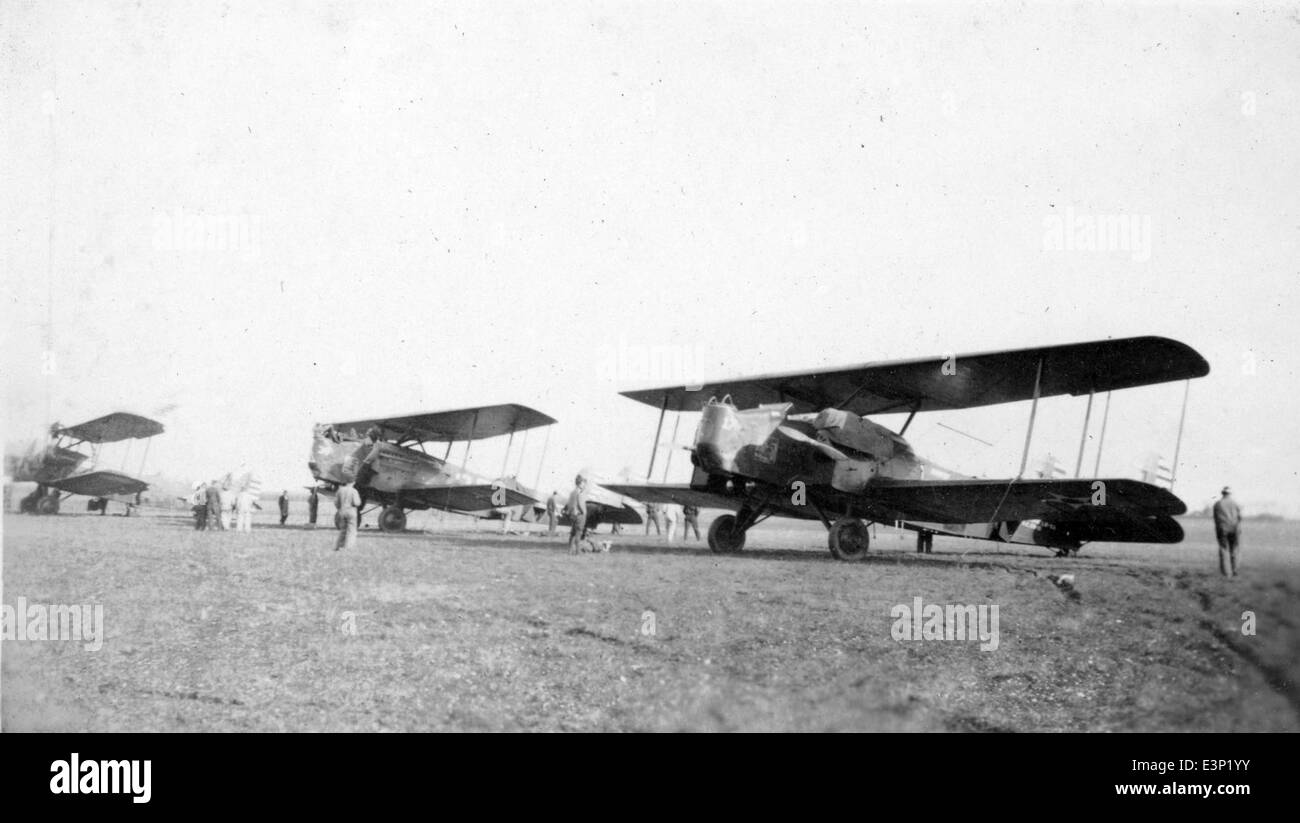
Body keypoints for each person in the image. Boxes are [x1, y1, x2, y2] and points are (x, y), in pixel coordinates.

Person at [1213, 486, 1243, 578]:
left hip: (1222, 529)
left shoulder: (1217, 504)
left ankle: (1226, 573)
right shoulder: (1236, 503)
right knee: (1234, 550)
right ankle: (1235, 571)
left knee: (1223, 550)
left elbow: (1216, 518)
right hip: (1235, 529)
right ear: (1230, 493)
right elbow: (1240, 517)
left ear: (1222, 493)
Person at [566, 475, 598, 554]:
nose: (584, 485)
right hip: (580, 515)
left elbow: (569, 504)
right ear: (580, 483)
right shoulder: (580, 493)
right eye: (584, 483)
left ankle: (569, 551)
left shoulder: (572, 493)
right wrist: (584, 512)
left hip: (573, 515)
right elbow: (581, 504)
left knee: (572, 533)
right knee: (578, 533)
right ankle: (577, 551)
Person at [335, 479, 362, 551]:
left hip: (342, 511)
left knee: (343, 530)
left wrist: (340, 508)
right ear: (352, 482)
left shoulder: (339, 491)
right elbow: (357, 503)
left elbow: (336, 503)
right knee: (351, 530)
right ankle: (348, 548)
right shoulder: (354, 491)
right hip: (351, 511)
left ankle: (338, 546)